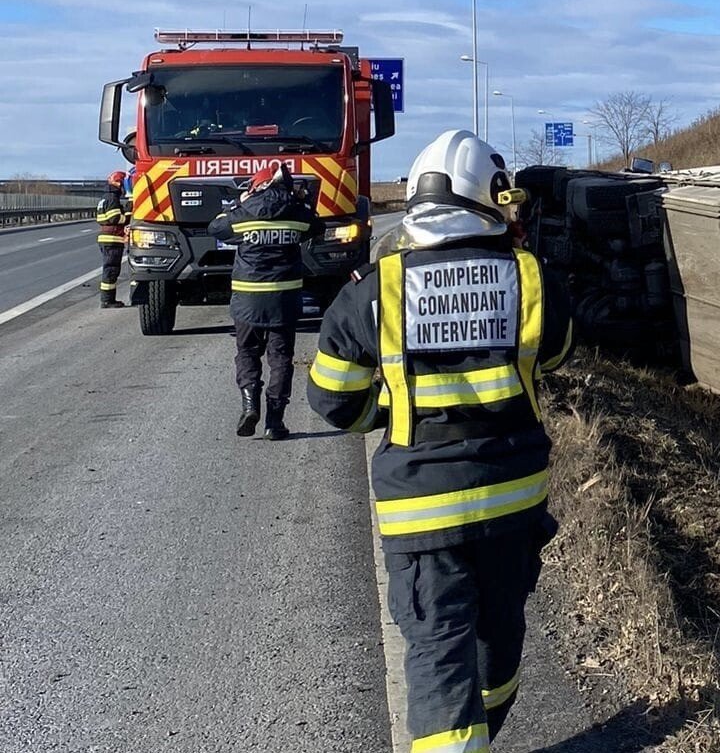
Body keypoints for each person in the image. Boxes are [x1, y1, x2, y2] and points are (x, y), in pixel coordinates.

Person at [307, 129, 572, 749]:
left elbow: (332, 399)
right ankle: (486, 727)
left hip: (422, 512)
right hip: (513, 502)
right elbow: (555, 354)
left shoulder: (375, 288)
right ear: (490, 196)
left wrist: (394, 409)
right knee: (499, 636)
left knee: (438, 652)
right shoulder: (529, 277)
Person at [209, 165, 321, 440]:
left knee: (247, 352)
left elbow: (216, 227)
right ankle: (275, 421)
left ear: (255, 188)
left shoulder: (244, 212)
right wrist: (301, 201)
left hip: (247, 300)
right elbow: (316, 226)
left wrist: (238, 204)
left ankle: (250, 406)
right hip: (284, 300)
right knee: (280, 358)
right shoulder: (295, 213)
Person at [95, 171, 130, 308]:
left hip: (107, 238)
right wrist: (127, 215)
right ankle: (108, 300)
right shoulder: (112, 198)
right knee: (111, 270)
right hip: (112, 238)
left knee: (109, 269)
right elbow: (115, 218)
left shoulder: (105, 198)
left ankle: (107, 299)